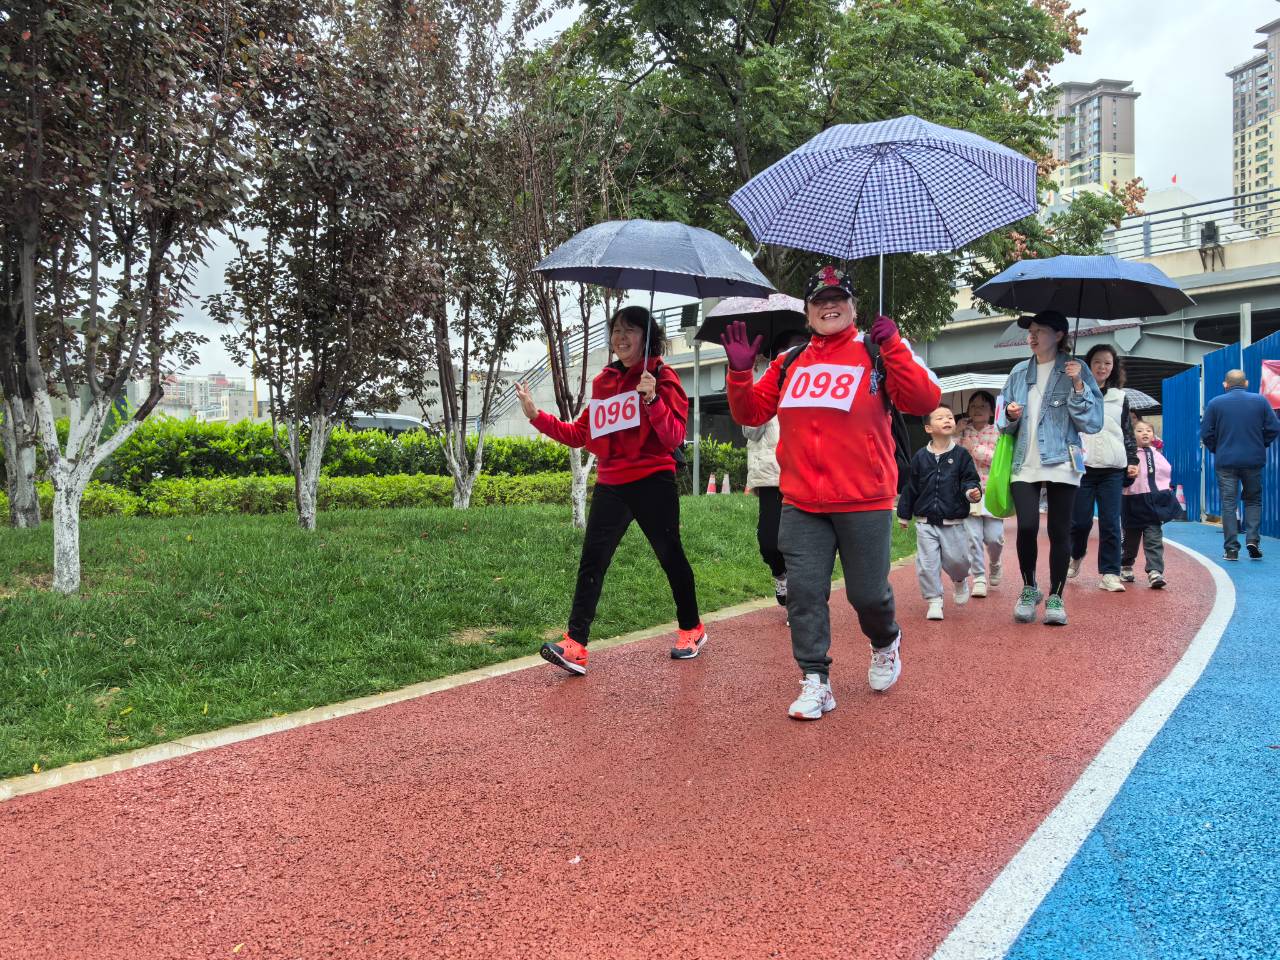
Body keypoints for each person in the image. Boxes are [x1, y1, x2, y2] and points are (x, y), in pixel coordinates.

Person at [721, 265, 941, 719]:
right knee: (803, 591)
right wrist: (740, 373)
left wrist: (894, 346)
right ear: (807, 312)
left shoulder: (876, 352)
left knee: (867, 595)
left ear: (854, 306)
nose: (829, 305)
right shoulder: (790, 362)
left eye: (838, 297)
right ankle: (816, 679)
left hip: (865, 499)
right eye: (819, 300)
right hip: (802, 502)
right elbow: (752, 412)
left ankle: (885, 642)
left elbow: (923, 400)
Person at [515, 305, 705, 675]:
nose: (620, 337)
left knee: (670, 556)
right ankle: (576, 645)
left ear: (647, 336)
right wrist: (536, 416)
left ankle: (691, 628)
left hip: (653, 478)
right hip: (612, 482)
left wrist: (652, 399)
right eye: (616, 329)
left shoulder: (663, 379)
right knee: (593, 560)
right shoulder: (603, 382)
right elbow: (581, 434)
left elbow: (673, 437)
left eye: (630, 330)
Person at [998, 310, 1104, 626]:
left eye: (1040, 331)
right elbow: (1002, 423)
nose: (1032, 336)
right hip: (1024, 461)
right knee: (1027, 526)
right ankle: (1030, 588)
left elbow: (1092, 422)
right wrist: (1011, 416)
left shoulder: (1078, 369)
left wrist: (1078, 385)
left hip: (1063, 459)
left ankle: (1056, 595)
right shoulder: (1018, 372)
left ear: (1058, 335)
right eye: (1030, 331)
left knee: (1060, 530)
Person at [744, 330, 810, 609]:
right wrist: (765, 397)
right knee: (769, 541)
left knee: (802, 543)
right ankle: (780, 575)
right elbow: (750, 430)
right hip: (772, 477)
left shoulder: (811, 384)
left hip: (804, 476)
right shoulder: (767, 385)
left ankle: (802, 598)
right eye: (785, 350)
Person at [898, 405, 983, 621]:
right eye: (940, 418)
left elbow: (970, 480)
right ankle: (934, 599)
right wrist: (904, 514)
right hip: (926, 521)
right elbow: (911, 487)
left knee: (958, 561)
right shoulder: (920, 457)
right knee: (927, 564)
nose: (947, 420)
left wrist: (972, 492)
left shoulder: (961, 455)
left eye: (949, 417)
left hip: (953, 520)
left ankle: (960, 579)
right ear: (928, 428)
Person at [1067, 345, 1139, 592]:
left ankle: (1110, 572)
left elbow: (1127, 433)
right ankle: (1076, 554)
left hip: (1112, 468)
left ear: (1113, 367)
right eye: (1097, 362)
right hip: (1083, 467)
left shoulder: (1120, 397)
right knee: (1079, 522)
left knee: (1110, 522)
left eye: (1107, 363)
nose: (1102, 367)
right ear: (1088, 365)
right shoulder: (1077, 393)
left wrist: (1133, 460)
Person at [1200, 368, 1280, 560]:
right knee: (1253, 500)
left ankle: (1231, 549)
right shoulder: (1260, 401)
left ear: (1225, 385)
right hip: (1253, 460)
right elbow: (1273, 428)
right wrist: (1261, 444)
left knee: (1229, 504)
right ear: (1246, 383)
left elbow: (1206, 433)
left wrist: (1217, 449)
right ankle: (1252, 540)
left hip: (1226, 461)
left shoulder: (1215, 403)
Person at [958, 390, 1004, 596]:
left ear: (991, 411)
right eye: (973, 406)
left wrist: (974, 448)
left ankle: (995, 562)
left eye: (983, 406)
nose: (977, 410)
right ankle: (978, 577)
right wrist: (954, 434)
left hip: (991, 492)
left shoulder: (998, 432)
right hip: (968, 493)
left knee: (994, 538)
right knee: (972, 537)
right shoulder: (961, 432)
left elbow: (998, 461)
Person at [1122, 420, 1173, 589]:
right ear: (1131, 435)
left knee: (1154, 537)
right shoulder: (1129, 454)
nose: (1145, 433)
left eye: (1148, 431)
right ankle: (1126, 564)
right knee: (1130, 539)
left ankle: (1155, 571)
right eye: (1139, 430)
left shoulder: (1156, 454)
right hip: (1132, 500)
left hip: (1152, 501)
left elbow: (1165, 472)